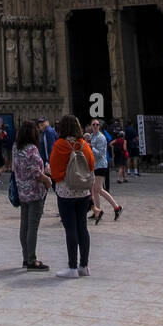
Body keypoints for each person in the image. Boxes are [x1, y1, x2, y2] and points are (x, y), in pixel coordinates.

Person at [48, 115, 96, 278]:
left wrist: (61, 177)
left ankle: (72, 267)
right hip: (83, 192)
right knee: (82, 227)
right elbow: (91, 166)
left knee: (70, 228)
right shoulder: (84, 145)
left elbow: (54, 169)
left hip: (66, 192)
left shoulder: (60, 145)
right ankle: (84, 266)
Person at [13, 120, 50, 271]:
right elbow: (36, 173)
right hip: (34, 192)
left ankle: (25, 257)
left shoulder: (16, 148)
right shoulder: (32, 149)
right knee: (32, 227)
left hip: (22, 191)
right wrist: (47, 179)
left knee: (25, 226)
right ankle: (31, 259)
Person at [86, 119, 122, 223]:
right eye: (93, 124)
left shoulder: (101, 137)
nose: (95, 126)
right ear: (91, 126)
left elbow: (100, 154)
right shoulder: (92, 136)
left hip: (101, 165)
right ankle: (97, 211)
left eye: (97, 125)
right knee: (94, 189)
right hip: (95, 166)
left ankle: (117, 207)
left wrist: (91, 147)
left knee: (98, 188)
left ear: (99, 126)